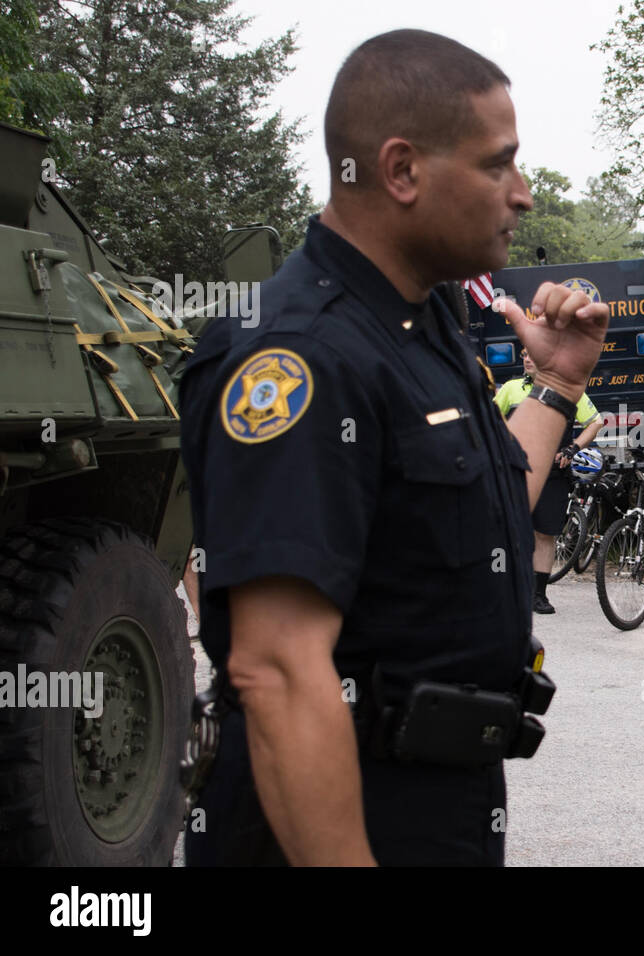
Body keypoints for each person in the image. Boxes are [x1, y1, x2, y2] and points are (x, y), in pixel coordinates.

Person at [179, 30, 608, 866]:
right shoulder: (300, 353)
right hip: (334, 822)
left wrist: (556, 386)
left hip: (435, 804)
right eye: (498, 165)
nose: (522, 195)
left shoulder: (423, 325)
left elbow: (482, 521)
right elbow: (276, 668)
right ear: (402, 169)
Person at [495, 348, 602, 613]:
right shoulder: (510, 388)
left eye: (534, 355)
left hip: (552, 473)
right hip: (515, 469)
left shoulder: (567, 389)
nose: (528, 359)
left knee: (545, 533)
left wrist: (572, 449)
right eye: (524, 355)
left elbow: (595, 421)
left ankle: (538, 595)